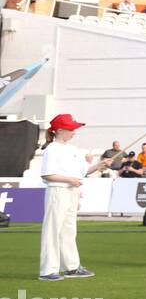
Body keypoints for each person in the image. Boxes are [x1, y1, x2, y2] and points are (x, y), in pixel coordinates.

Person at [38, 114, 111, 281]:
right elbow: (47, 175)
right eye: (71, 129)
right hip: (58, 191)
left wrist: (100, 165)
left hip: (71, 191)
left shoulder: (73, 150)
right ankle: (47, 270)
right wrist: (70, 180)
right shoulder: (52, 149)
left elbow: (83, 171)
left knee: (69, 230)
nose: (74, 132)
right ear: (61, 130)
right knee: (53, 230)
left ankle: (71, 267)